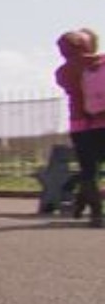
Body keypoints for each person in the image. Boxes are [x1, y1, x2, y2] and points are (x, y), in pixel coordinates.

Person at [54, 27, 104, 228]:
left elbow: (69, 87)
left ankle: (96, 215)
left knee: (89, 171)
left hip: (81, 126)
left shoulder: (63, 72)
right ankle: (82, 203)